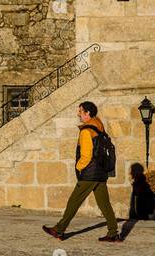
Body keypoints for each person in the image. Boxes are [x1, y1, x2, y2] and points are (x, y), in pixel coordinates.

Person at [42, 101, 120, 242]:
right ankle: (113, 232)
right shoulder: (99, 127)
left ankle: (59, 230)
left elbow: (86, 155)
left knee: (74, 201)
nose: (78, 114)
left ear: (87, 113)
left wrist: (79, 167)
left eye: (80, 111)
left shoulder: (86, 131)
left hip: (89, 173)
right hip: (100, 172)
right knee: (104, 203)